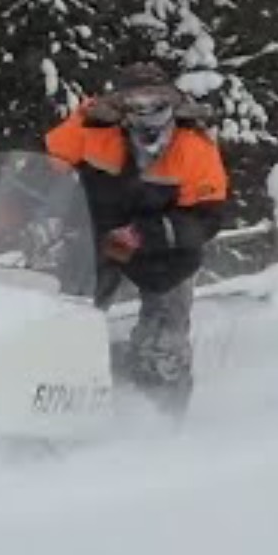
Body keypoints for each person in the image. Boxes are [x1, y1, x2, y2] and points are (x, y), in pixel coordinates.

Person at [45, 62, 228, 418]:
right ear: (120, 106)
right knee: (64, 317)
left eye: (156, 100)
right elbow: (46, 165)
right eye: (136, 101)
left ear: (173, 102)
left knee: (164, 333)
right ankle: (58, 393)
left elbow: (207, 216)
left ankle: (165, 415)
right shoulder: (91, 128)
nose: (147, 111)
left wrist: (146, 234)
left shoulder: (194, 147)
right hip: (96, 236)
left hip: (166, 250)